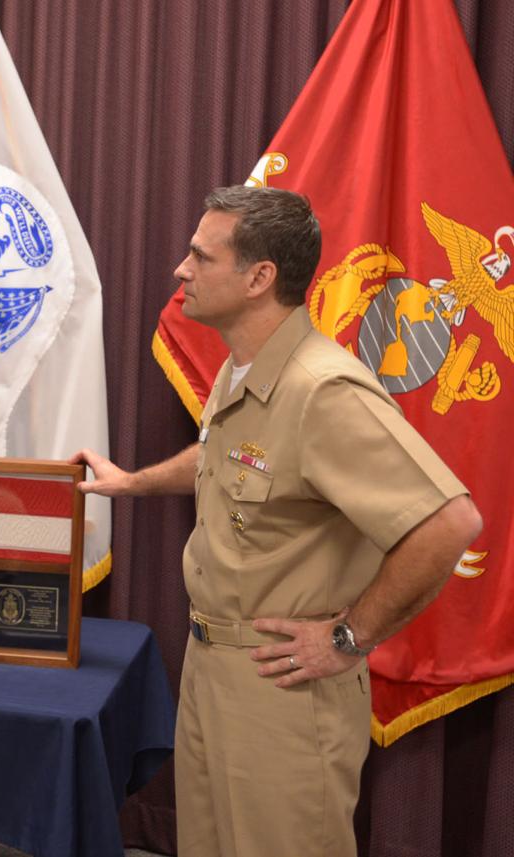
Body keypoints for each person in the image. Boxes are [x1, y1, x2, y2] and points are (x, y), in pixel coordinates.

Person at [73, 186, 482, 857]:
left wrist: (349, 635)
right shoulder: (246, 371)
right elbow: (220, 456)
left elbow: (449, 521)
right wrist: (131, 483)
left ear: (260, 278)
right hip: (213, 670)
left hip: (284, 693)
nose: (181, 269)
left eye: (201, 257)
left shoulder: (321, 388)